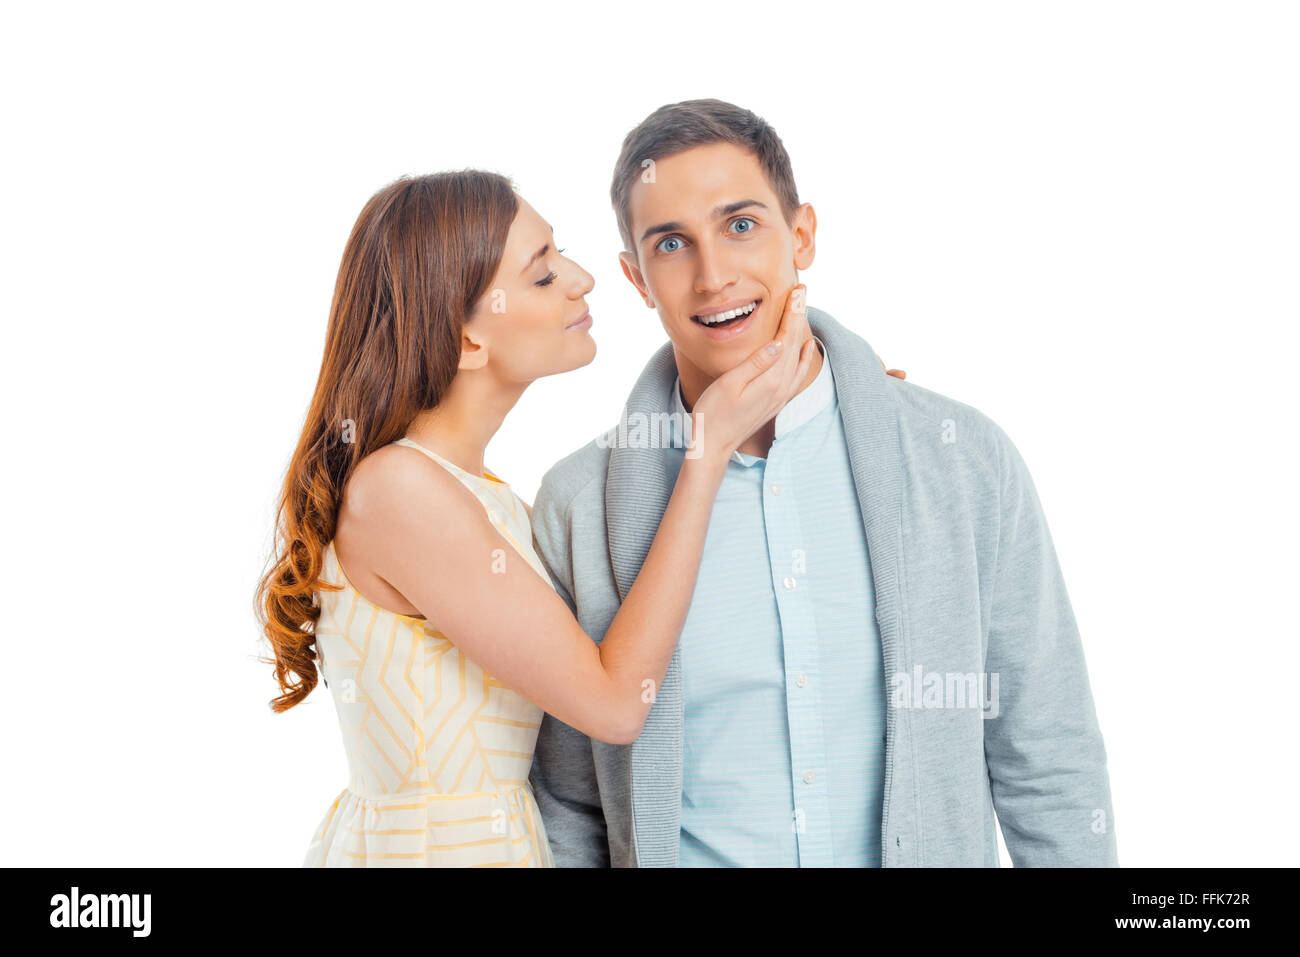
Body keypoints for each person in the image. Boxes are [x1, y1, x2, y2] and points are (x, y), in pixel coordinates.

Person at [527, 99, 1119, 867]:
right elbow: (569, 805)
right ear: (638, 278)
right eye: (672, 244)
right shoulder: (579, 506)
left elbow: (1047, 757)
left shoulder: (962, 461)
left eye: (741, 225)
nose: (714, 276)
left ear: (801, 235)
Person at [255, 169, 834, 867]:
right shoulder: (401, 493)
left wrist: (833, 413)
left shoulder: (480, 496)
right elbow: (616, 703)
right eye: (542, 275)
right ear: (468, 342)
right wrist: (705, 455)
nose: (582, 279)